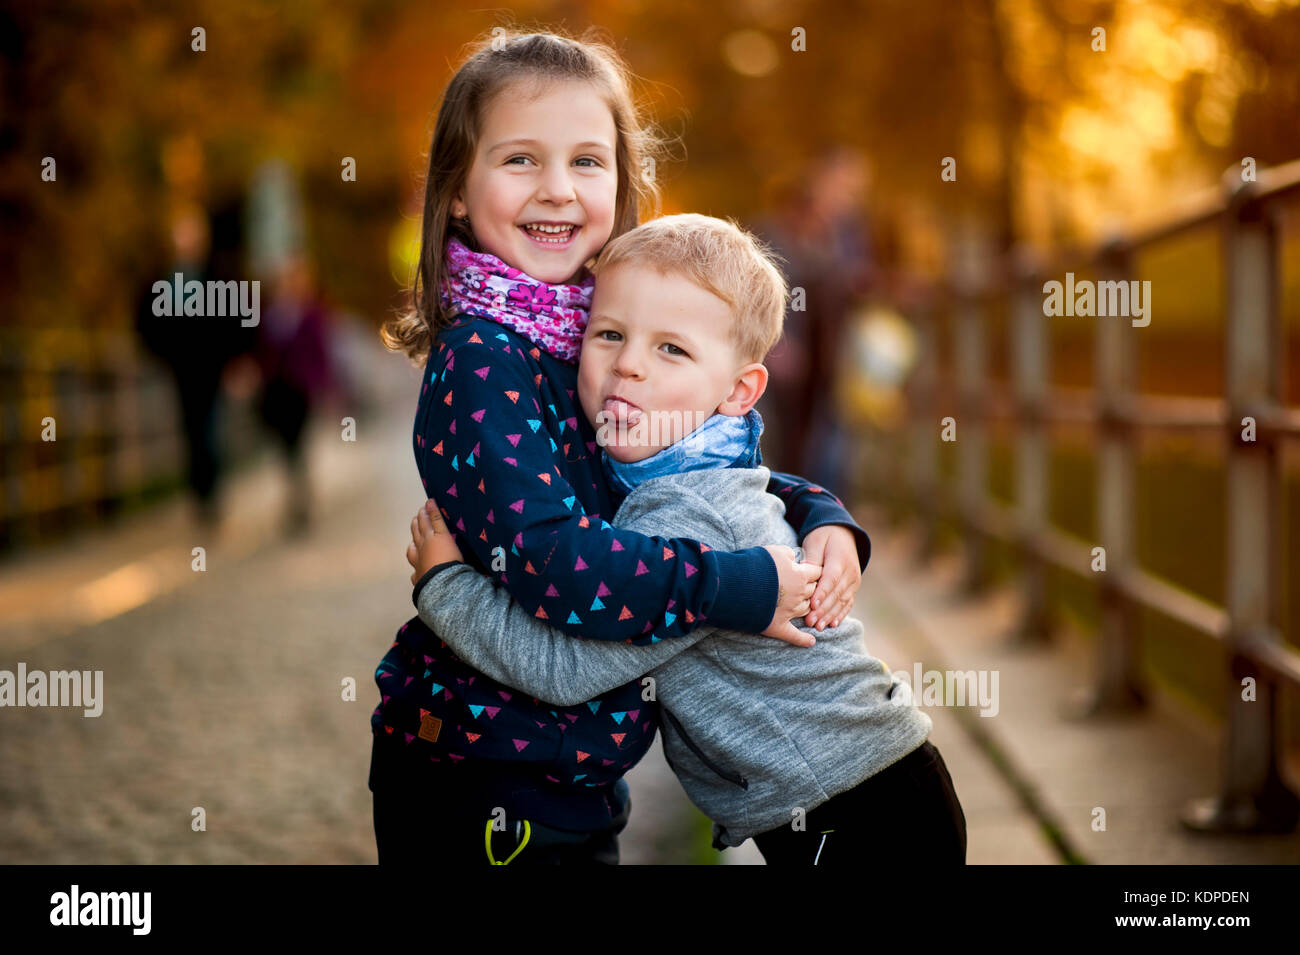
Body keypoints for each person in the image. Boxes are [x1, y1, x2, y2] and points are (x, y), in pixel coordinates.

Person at [370, 28, 872, 866]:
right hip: (483, 771)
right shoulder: (485, 359)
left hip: (573, 773)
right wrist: (734, 583)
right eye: (521, 160)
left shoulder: (590, 338)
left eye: (587, 162)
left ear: (622, 181)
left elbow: (695, 457)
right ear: (456, 190)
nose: (558, 190)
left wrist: (816, 511)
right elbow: (551, 558)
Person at [407, 214, 966, 866]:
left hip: (865, 815)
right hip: (855, 797)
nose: (630, 365)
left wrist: (444, 585)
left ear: (738, 391)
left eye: (671, 348)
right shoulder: (690, 477)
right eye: (609, 334)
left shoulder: (685, 518)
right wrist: (825, 512)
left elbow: (561, 669)